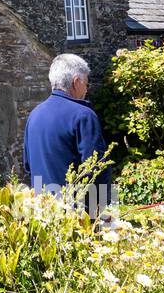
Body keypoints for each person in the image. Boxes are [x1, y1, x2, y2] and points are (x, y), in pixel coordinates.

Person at [24, 54, 111, 212]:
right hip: (77, 214)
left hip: (43, 211)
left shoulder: (34, 115)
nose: (86, 89)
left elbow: (28, 165)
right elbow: (96, 169)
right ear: (76, 82)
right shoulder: (83, 115)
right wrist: (104, 212)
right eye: (86, 83)